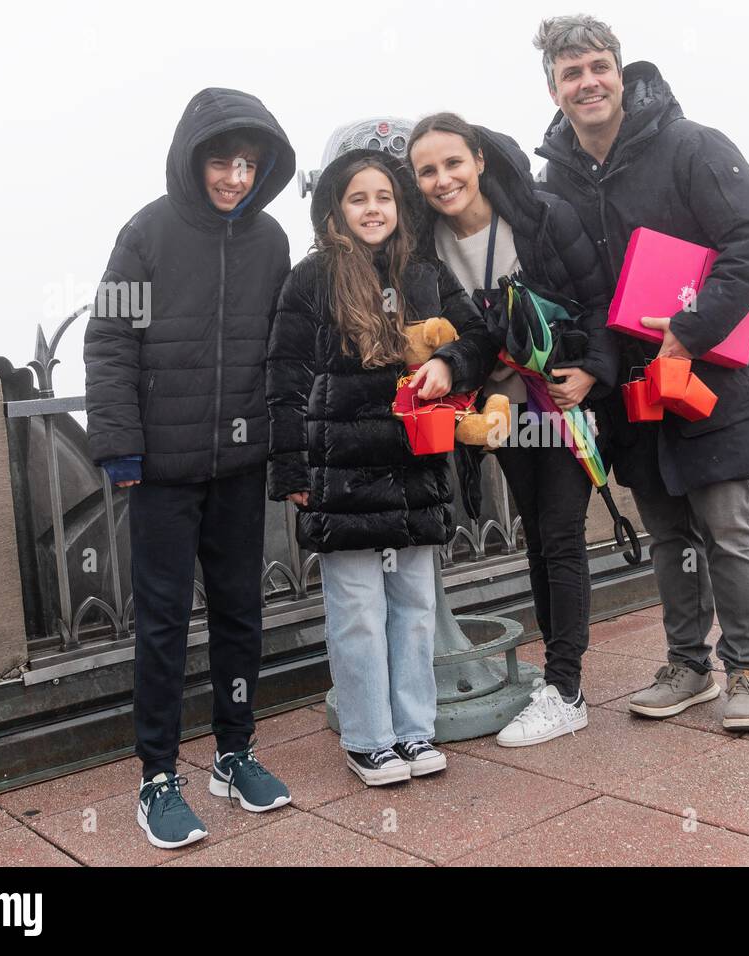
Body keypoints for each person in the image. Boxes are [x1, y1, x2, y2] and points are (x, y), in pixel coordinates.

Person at [532, 15, 749, 730]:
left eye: (597, 67)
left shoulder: (692, 146)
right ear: (553, 90)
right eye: (570, 73)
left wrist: (692, 328)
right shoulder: (557, 179)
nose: (587, 82)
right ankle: (688, 664)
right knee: (670, 534)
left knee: (727, 528)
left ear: (621, 70)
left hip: (708, 377)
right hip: (631, 389)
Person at [84, 87, 296, 849]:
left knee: (242, 612)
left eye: (250, 164)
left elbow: (283, 350)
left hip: (240, 466)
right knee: (164, 625)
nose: (236, 177)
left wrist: (283, 444)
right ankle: (157, 775)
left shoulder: (272, 241)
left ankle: (234, 752)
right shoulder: (147, 232)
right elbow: (108, 339)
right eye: (221, 161)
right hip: (163, 473)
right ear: (194, 159)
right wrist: (120, 446)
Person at [266, 149, 495, 785]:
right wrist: (291, 473)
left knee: (415, 603)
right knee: (358, 610)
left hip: (414, 466)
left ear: (400, 207)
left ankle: (415, 731)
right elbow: (284, 382)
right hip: (339, 472)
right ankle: (370, 737)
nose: (374, 209)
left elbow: (477, 337)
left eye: (385, 197)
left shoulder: (424, 272)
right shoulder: (310, 280)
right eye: (359, 198)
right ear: (336, 209)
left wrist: (450, 362)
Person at [406, 113, 618, 747]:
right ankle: (560, 681)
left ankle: (567, 687)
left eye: (452, 163)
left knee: (561, 534)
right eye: (427, 171)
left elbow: (599, 298)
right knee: (537, 537)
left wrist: (590, 374)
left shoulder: (542, 217)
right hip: (504, 412)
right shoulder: (426, 252)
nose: (444, 180)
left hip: (560, 399)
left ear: (478, 159)